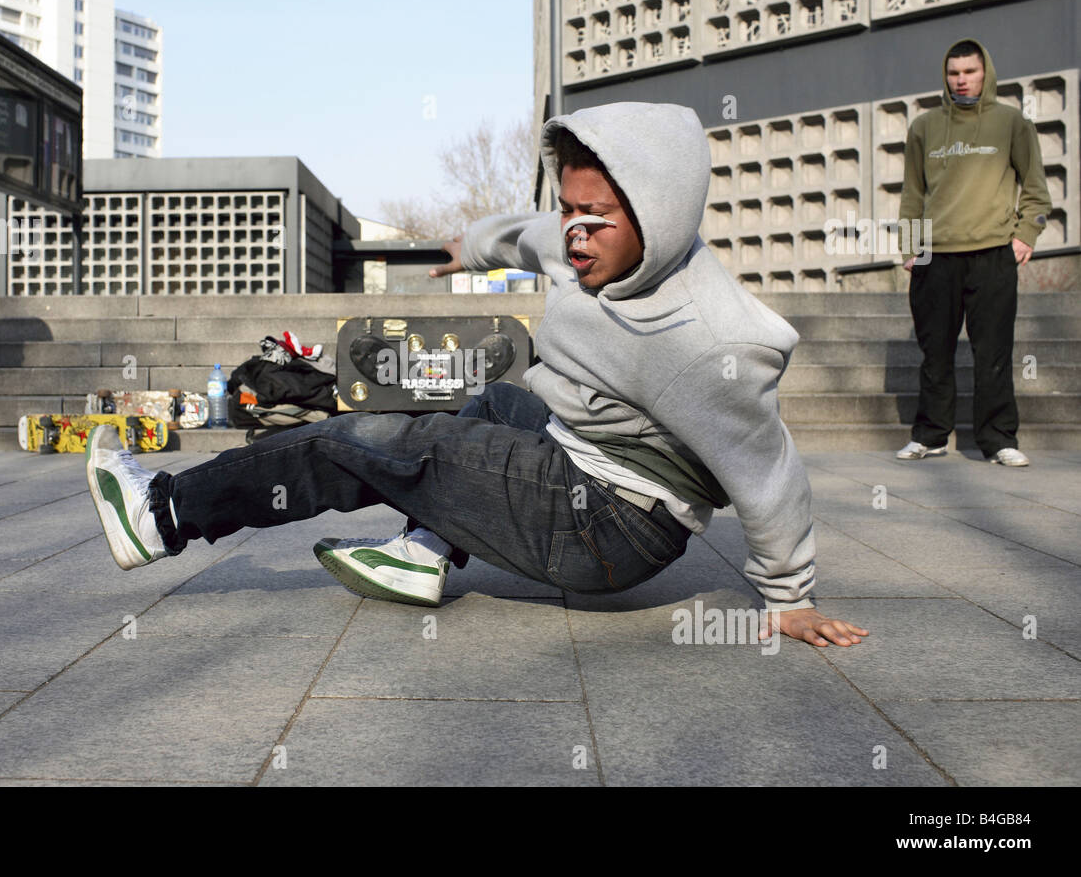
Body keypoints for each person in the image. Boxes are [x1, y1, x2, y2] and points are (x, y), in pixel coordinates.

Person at [86, 102, 868, 649]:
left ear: (657, 215)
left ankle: (160, 515)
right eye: (571, 208)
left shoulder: (707, 336)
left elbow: (769, 470)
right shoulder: (583, 238)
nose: (578, 235)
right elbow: (533, 238)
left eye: (598, 217)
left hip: (609, 529)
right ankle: (425, 549)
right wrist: (476, 245)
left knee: (373, 440)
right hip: (581, 456)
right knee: (496, 397)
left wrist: (789, 596)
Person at [895, 39, 1051, 466]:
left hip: (992, 255)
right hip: (934, 256)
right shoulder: (924, 127)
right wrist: (910, 247)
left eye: (969, 71)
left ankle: (999, 439)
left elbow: (1036, 192)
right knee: (935, 353)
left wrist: (1025, 235)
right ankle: (931, 434)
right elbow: (913, 193)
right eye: (953, 72)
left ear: (986, 73)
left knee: (994, 352)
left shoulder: (1012, 123)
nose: (961, 79)